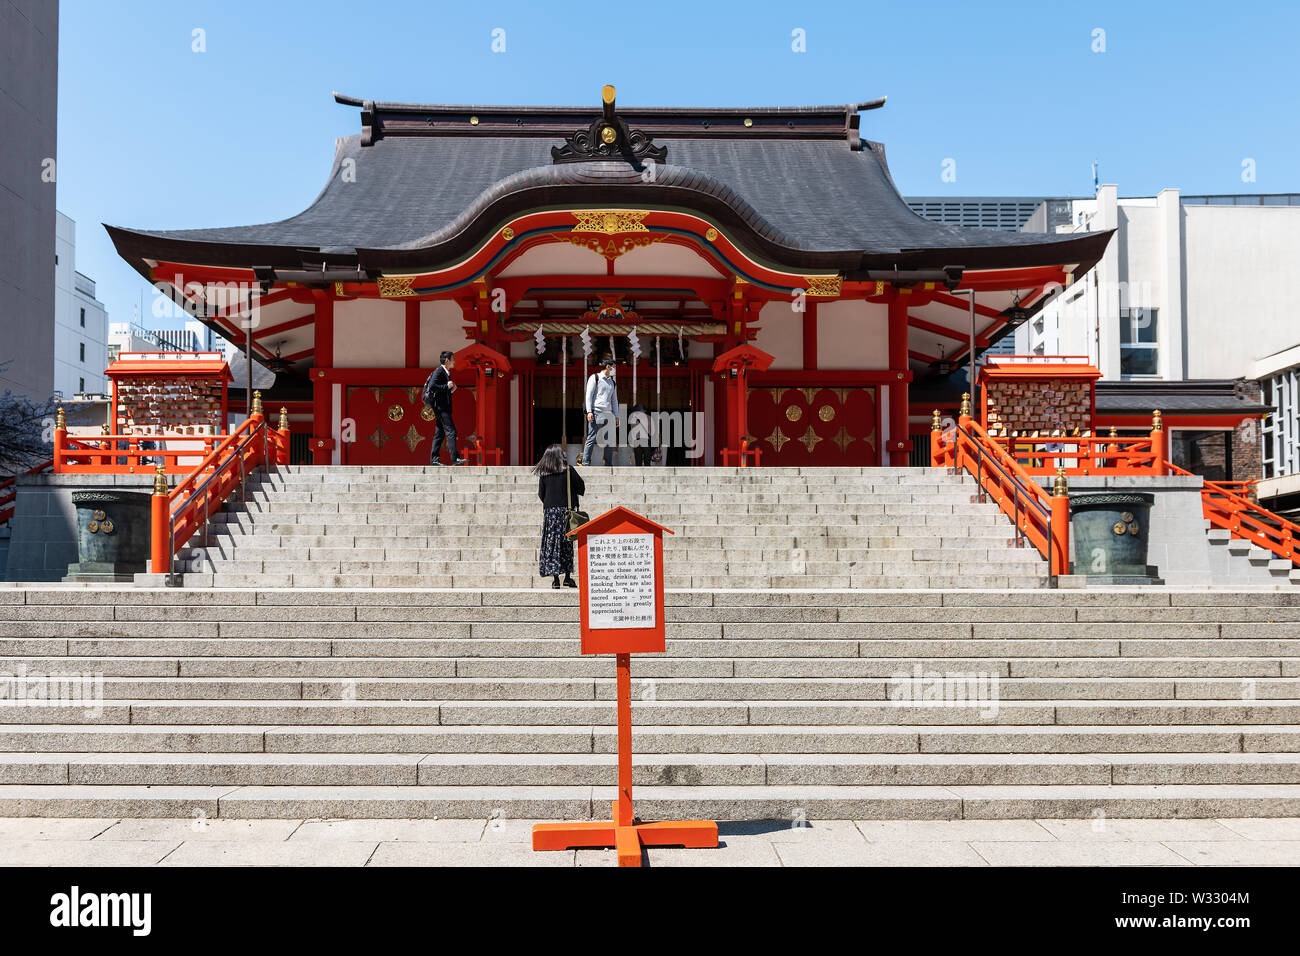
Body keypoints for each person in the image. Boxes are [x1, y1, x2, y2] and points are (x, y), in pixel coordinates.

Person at [533, 443, 582, 588]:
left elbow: (541, 494)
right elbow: (581, 487)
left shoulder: (544, 474)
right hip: (565, 513)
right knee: (566, 545)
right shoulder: (568, 471)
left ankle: (555, 579)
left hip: (550, 515)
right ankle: (567, 576)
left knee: (552, 545)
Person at [428, 350, 469, 466]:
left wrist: (450, 391)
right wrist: (446, 386)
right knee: (451, 431)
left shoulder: (445, 372)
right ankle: (455, 459)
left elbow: (442, 391)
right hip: (441, 408)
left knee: (439, 433)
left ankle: (434, 460)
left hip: (442, 407)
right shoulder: (440, 371)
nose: (454, 362)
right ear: (447, 360)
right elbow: (432, 386)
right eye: (453, 359)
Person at [581, 358, 619, 467]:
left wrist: (616, 416)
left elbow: (614, 401)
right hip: (596, 411)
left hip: (608, 413)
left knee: (609, 440)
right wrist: (589, 411)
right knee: (592, 438)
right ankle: (586, 462)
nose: (614, 370)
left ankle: (608, 464)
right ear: (608, 366)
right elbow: (588, 395)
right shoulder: (595, 377)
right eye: (614, 367)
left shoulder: (612, 382)